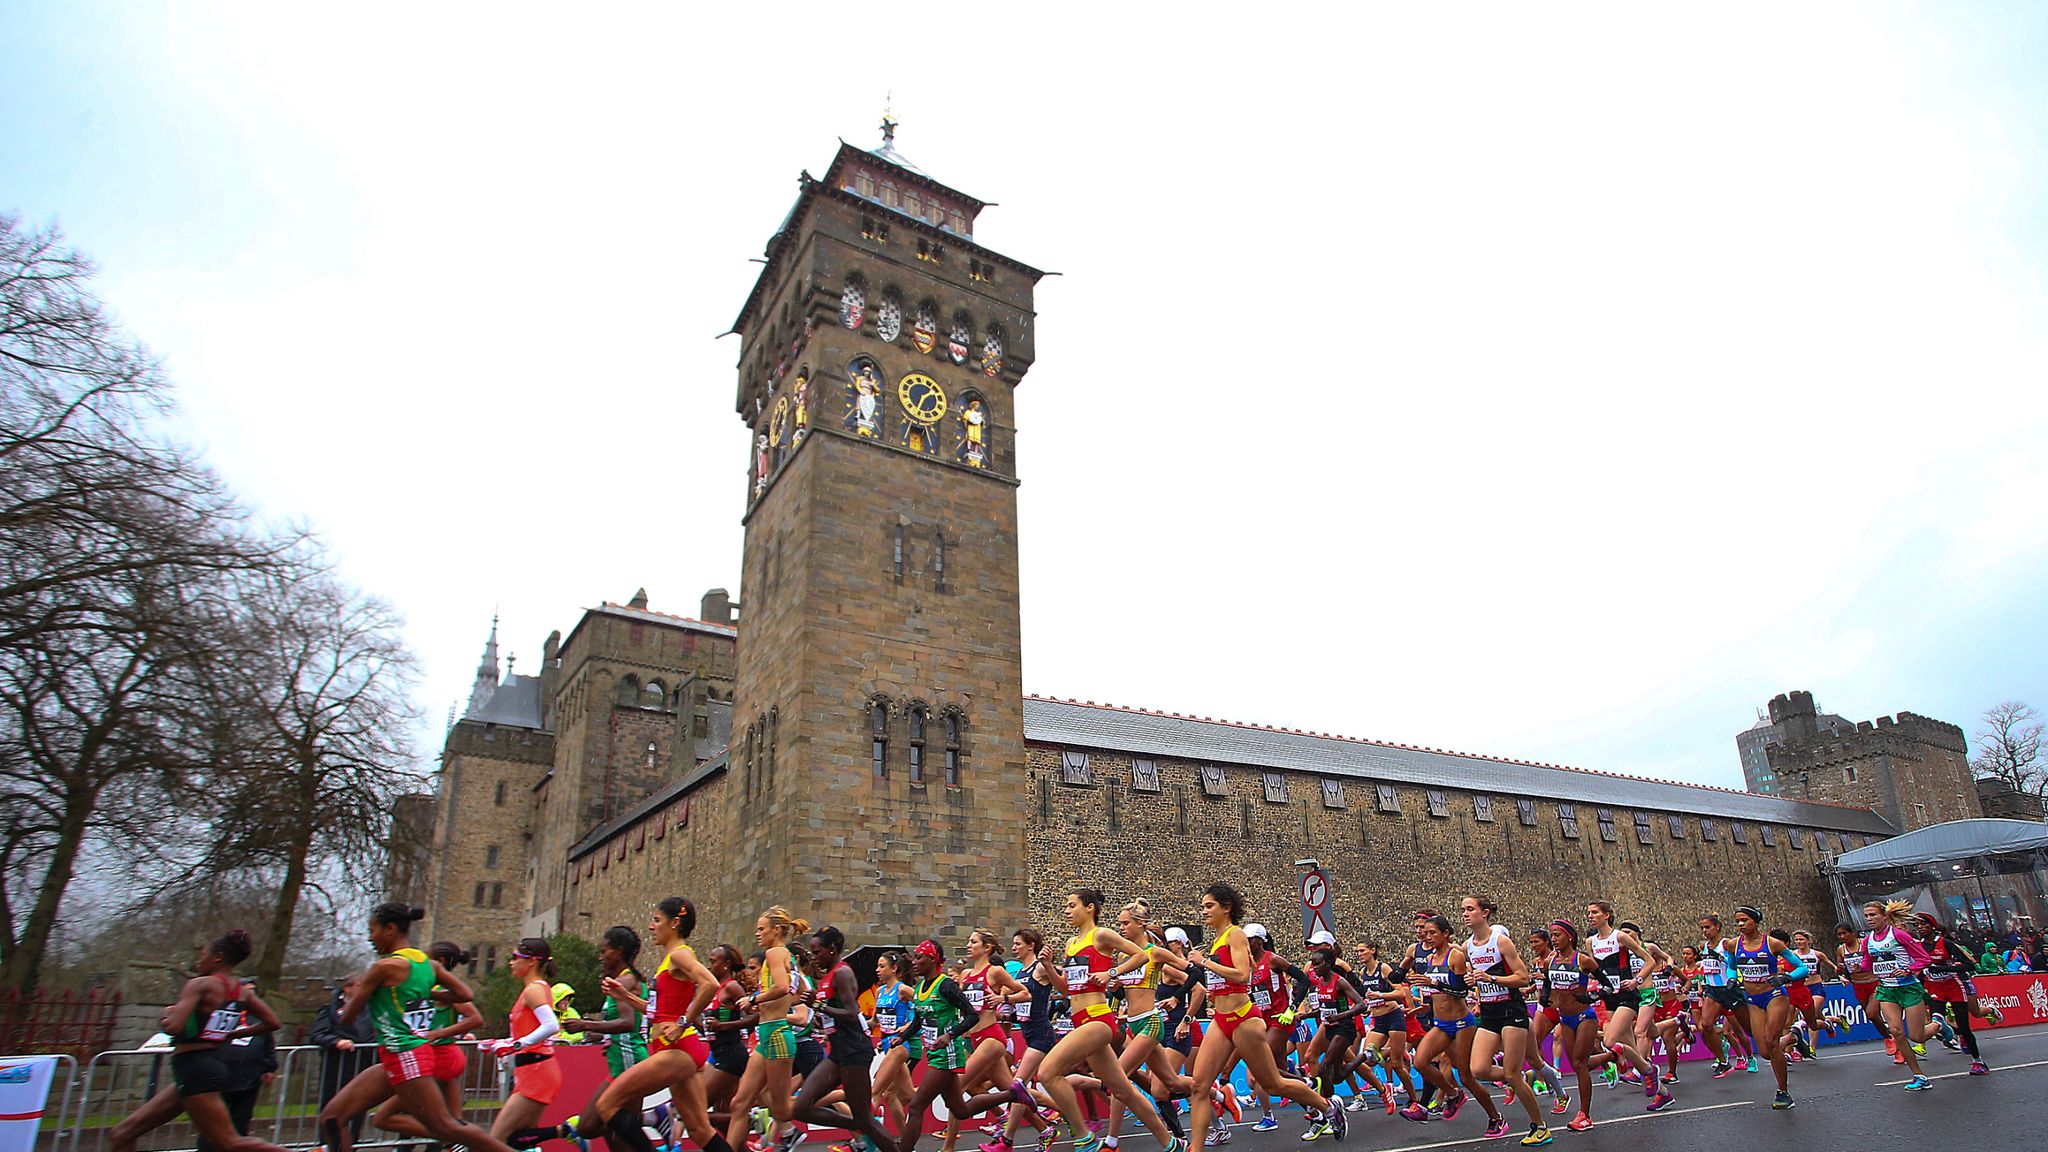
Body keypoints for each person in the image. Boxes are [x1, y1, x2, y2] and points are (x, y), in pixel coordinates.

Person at [315, 904, 515, 1152]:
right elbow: (465, 993)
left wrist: (364, 996)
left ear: (390, 929)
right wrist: (428, 993)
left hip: (406, 1054)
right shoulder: (427, 964)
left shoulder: (383, 968)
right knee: (332, 1119)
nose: (370, 938)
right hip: (396, 1055)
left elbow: (347, 1019)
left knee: (446, 1128)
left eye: (372, 930)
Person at [1183, 883, 1341, 1150]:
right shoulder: (1219, 940)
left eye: (1209, 906)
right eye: (1203, 907)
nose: (1204, 912)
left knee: (1273, 1083)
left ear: (1226, 908)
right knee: (1199, 1087)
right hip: (1222, 1019)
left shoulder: (1234, 935)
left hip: (1244, 1019)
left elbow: (1242, 976)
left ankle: (1326, 1106)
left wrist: (1204, 963)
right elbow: (1232, 976)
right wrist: (1213, 990)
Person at [1035, 890, 1191, 1152]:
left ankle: (1084, 1139)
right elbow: (1067, 990)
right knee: (1124, 1091)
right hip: (1081, 1020)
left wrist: (1111, 973)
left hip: (1098, 1019)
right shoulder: (1071, 943)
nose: (1066, 910)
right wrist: (1049, 967)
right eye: (1066, 906)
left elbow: (1142, 955)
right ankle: (1171, 1144)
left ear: (1090, 908)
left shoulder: (1102, 935)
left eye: (1072, 905)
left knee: (1047, 1072)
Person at [112, 931, 289, 1152]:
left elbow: (174, 1027)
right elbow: (273, 1022)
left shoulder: (201, 984)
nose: (198, 960)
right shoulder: (242, 992)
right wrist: (229, 1035)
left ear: (217, 957)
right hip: (203, 1067)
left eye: (202, 954)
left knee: (230, 1143)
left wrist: (167, 1014)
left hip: (195, 1068)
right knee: (122, 1133)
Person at [1460, 895, 1557, 1145]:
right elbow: (1474, 977)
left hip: (1512, 1012)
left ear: (1485, 913)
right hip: (1490, 1013)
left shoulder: (1500, 941)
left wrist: (1491, 979)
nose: (1465, 914)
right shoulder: (1467, 946)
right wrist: (1474, 985)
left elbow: (1523, 978)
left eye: (1470, 909)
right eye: (1463, 910)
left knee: (1513, 1075)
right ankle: (1521, 1079)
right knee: (1478, 1069)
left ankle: (1540, 1127)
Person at [788, 927, 895, 1152]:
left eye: (817, 952)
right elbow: (833, 1015)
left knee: (865, 1118)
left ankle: (866, 1127)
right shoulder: (828, 976)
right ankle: (857, 1124)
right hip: (838, 1051)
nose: (814, 957)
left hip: (854, 1049)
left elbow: (852, 1013)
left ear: (832, 949)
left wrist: (817, 1006)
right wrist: (820, 1018)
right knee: (801, 1108)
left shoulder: (841, 973)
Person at [372, 943, 484, 1144]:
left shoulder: (441, 990)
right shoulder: (422, 987)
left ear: (439, 962)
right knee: (452, 1119)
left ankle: (458, 1139)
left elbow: (476, 1019)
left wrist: (437, 1033)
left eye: (426, 958)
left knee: (383, 1117)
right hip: (432, 1056)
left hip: (441, 1056)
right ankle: (456, 1141)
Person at [1719, 905, 1807, 1109]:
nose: (1740, 924)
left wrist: (1786, 977)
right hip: (1752, 999)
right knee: (1766, 1052)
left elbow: (1802, 968)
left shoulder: (1772, 943)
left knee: (1771, 1041)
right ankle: (1793, 1036)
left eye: (1745, 920)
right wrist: (1732, 980)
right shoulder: (1733, 945)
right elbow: (1731, 968)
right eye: (1738, 921)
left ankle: (1783, 1092)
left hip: (1774, 995)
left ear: (1756, 922)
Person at [1859, 900, 1937, 1091]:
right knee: (1896, 1032)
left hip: (1908, 988)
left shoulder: (1899, 935)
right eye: (1867, 916)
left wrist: (1908, 970)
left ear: (1884, 916)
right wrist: (1855, 967)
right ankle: (1919, 1075)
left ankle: (1938, 1024)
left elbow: (1924, 959)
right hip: (1887, 989)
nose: (1869, 919)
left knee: (1917, 1036)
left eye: (1873, 915)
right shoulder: (1868, 940)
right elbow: (1868, 964)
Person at [309, 975, 377, 1140]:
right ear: (348, 988)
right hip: (337, 1068)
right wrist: (336, 1041)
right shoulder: (329, 1009)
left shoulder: (370, 1010)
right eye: (360, 984)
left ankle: (352, 1143)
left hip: (362, 1068)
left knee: (357, 1111)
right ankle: (326, 1144)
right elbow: (317, 1034)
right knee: (331, 1110)